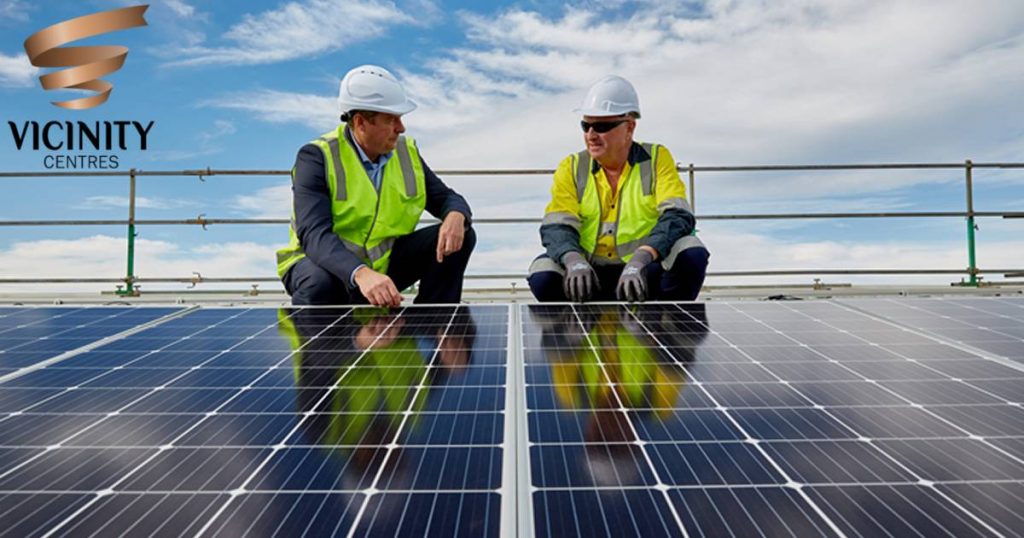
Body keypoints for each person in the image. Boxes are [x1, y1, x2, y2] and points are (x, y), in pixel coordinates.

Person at [276, 65, 474, 306]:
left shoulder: (406, 153)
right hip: (324, 265)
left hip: (382, 268)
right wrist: (360, 273)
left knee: (461, 234)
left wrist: (456, 214)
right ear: (360, 122)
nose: (401, 128)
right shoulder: (317, 157)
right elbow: (314, 234)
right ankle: (318, 332)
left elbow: (446, 198)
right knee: (320, 285)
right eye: (391, 119)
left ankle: (435, 321)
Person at [528, 75, 709, 303]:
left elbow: (677, 216)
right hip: (587, 274)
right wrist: (573, 260)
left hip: (641, 271)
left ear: (630, 127)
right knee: (542, 275)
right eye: (586, 125)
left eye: (602, 127)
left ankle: (669, 322)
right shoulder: (572, 167)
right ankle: (577, 321)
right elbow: (556, 226)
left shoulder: (656, 159)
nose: (591, 135)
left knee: (691, 251)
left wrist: (642, 258)